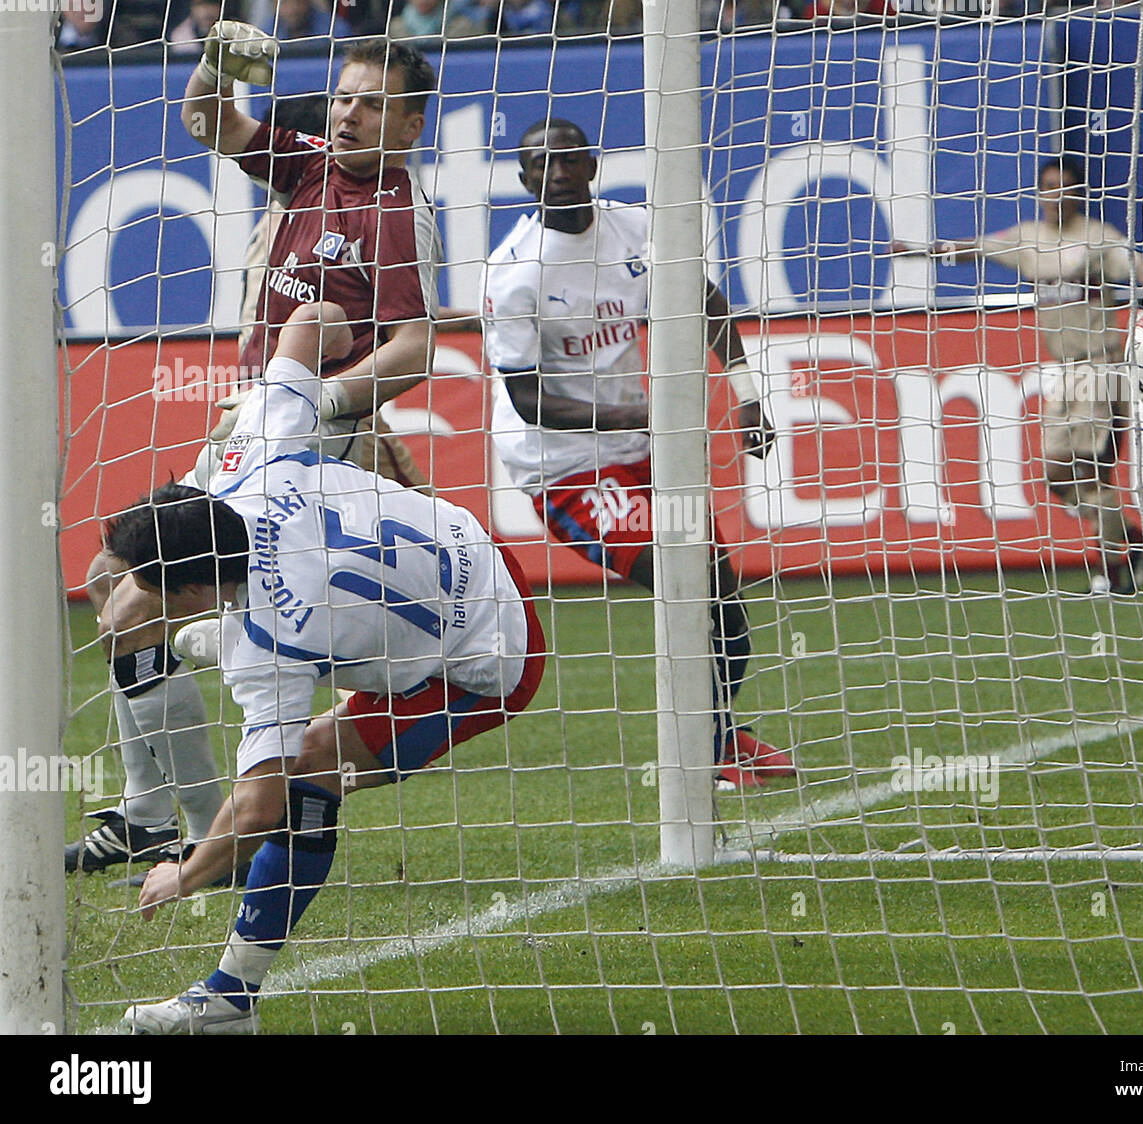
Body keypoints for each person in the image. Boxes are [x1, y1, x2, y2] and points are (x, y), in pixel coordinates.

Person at [66, 29, 443, 878]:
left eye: (372, 103)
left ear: (413, 126)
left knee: (139, 609)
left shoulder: (394, 212)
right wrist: (220, 66)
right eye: (344, 94)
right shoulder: (307, 165)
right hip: (249, 431)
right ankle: (149, 812)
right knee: (109, 576)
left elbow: (415, 349)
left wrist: (319, 398)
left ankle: (197, 827)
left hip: (297, 447)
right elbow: (207, 120)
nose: (348, 112)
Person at [117, 303, 545, 1034]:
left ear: (191, 588)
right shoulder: (265, 451)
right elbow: (312, 318)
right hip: (469, 552)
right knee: (296, 728)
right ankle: (231, 999)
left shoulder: (273, 645)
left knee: (308, 769)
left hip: (483, 658)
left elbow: (255, 808)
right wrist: (336, 355)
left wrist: (183, 875)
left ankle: (228, 1000)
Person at [483, 118, 791, 789]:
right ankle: (697, 756)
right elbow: (530, 399)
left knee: (724, 603)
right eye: (542, 164)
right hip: (564, 466)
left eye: (568, 159)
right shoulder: (513, 274)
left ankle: (717, 740)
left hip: (643, 451)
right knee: (685, 579)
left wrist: (743, 394)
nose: (558, 172)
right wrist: (644, 412)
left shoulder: (635, 228)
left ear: (592, 165)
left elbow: (704, 300)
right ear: (524, 179)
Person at [892, 154, 1143, 594]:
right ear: (1040, 193)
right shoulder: (1029, 240)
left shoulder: (1099, 239)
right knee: (1063, 476)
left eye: (1063, 187)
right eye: (1048, 187)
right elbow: (976, 249)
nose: (1055, 196)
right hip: (1066, 373)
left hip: (1100, 366)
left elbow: (1141, 271)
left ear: (1078, 194)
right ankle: (1134, 551)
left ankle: (1118, 565)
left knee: (1070, 467)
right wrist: (918, 250)